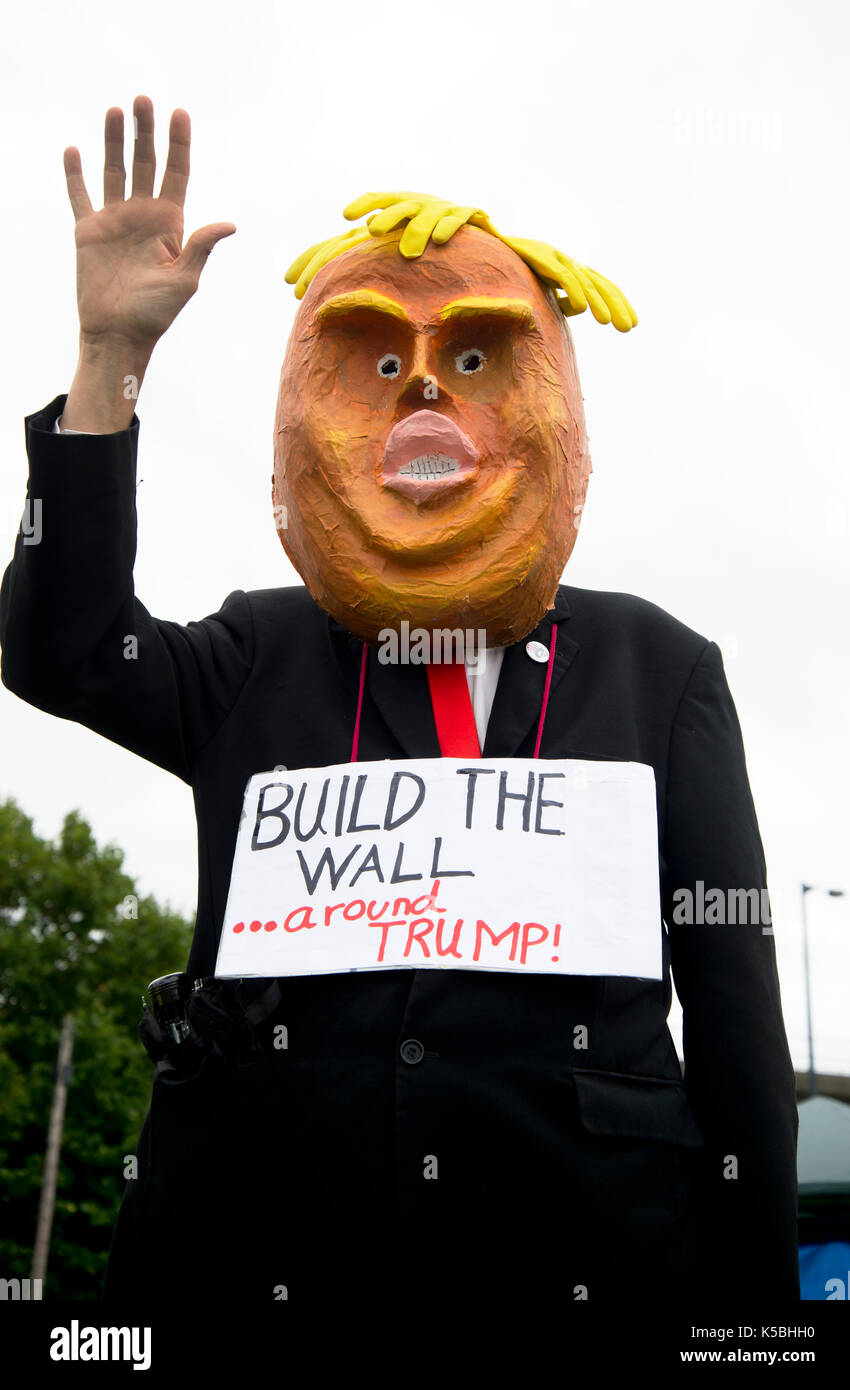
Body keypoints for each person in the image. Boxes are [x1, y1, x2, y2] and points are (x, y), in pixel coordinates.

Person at [0, 95, 799, 1311]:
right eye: (380, 362)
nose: (424, 389)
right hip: (264, 1252)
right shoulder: (254, 652)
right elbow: (62, 652)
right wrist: (110, 359)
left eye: (473, 359)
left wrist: (757, 1321)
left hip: (586, 1254)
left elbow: (738, 1032)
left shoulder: (661, 671)